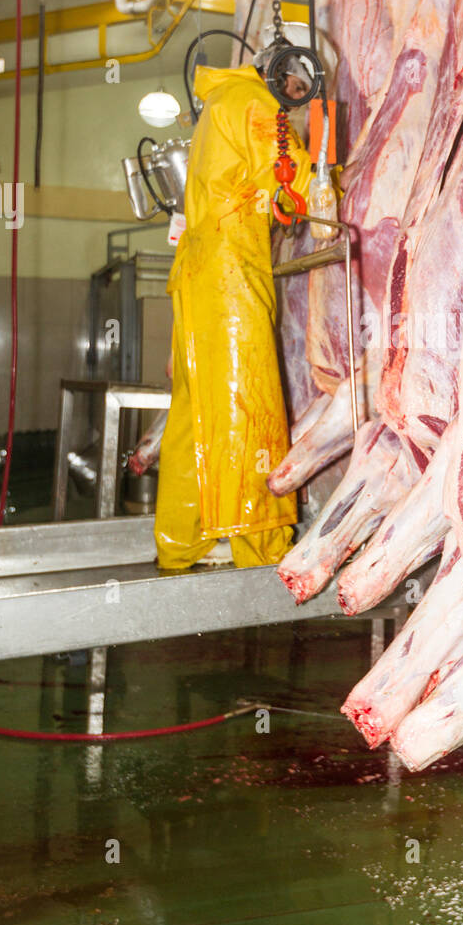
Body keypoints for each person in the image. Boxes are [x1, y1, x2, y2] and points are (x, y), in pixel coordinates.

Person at [154, 60, 311, 569]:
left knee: (195, 414)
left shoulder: (217, 106)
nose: (295, 103)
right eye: (297, 93)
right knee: (248, 407)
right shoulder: (256, 104)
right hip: (231, 276)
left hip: (198, 272)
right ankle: (259, 546)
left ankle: (181, 541)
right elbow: (296, 185)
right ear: (282, 79)